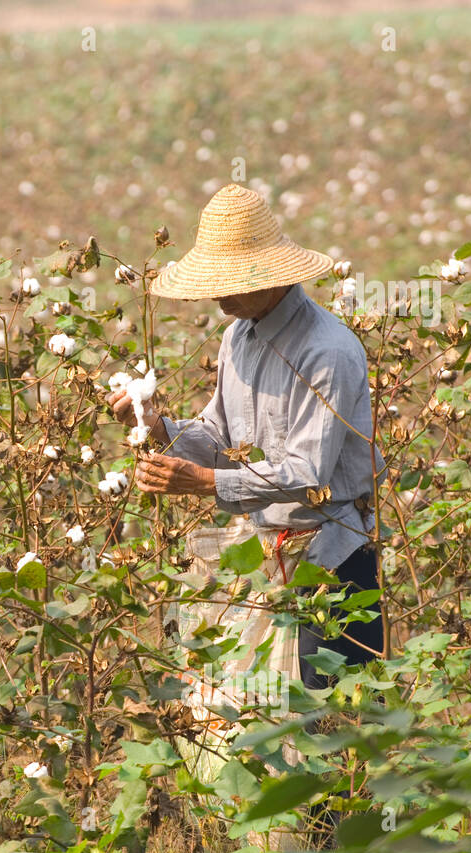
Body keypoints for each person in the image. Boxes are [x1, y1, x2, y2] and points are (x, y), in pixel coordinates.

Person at [108, 183, 387, 688]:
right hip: (266, 556)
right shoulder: (238, 334)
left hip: (332, 566)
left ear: (270, 276)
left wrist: (204, 482)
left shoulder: (326, 352)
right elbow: (221, 435)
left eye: (229, 281)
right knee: (251, 728)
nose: (218, 294)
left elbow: (308, 478)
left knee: (330, 732)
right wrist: (158, 429)